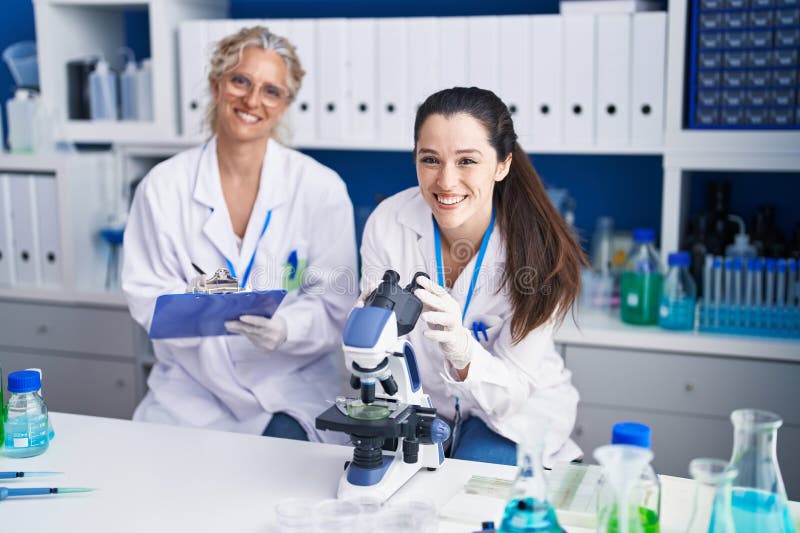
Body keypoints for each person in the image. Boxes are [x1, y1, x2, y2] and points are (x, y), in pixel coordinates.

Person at [122, 26, 357, 442]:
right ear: (216, 86)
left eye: (271, 91)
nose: (252, 101)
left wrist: (287, 328)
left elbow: (334, 305)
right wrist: (195, 301)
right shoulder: (162, 187)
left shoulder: (321, 190)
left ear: (285, 104)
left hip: (288, 385)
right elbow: (146, 296)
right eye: (240, 81)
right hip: (191, 391)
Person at [359, 87, 585, 466]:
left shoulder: (540, 251)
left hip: (514, 412)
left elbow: (510, 391)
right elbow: (381, 349)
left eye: (467, 161)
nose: (446, 181)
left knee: (470, 479)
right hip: (425, 407)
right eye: (430, 159)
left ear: (502, 165)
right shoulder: (388, 224)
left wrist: (464, 352)